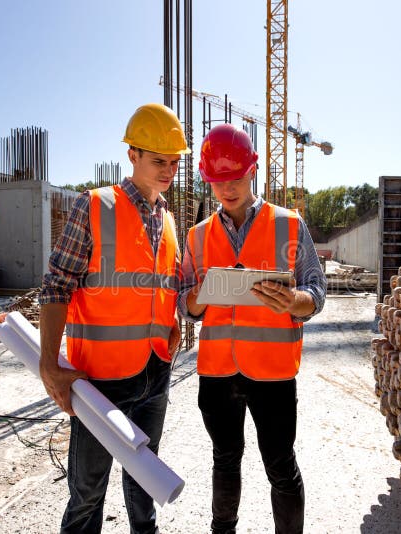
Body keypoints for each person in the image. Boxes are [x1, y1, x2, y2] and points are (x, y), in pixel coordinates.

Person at [38, 102, 189, 534]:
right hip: (100, 379)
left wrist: (171, 323)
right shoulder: (96, 206)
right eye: (158, 160)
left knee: (146, 480)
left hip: (155, 370)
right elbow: (56, 285)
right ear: (133, 155)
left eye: (174, 162)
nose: (167, 170)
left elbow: (161, 287)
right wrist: (50, 363)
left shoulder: (170, 221)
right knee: (88, 492)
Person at [178, 123, 327, 534]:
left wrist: (297, 301)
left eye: (236, 177)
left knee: (280, 464)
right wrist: (201, 297)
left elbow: (316, 287)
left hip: (273, 372)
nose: (227, 188)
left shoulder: (289, 224)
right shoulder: (197, 236)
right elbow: (185, 304)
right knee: (225, 459)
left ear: (253, 171)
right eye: (217, 181)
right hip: (218, 372)